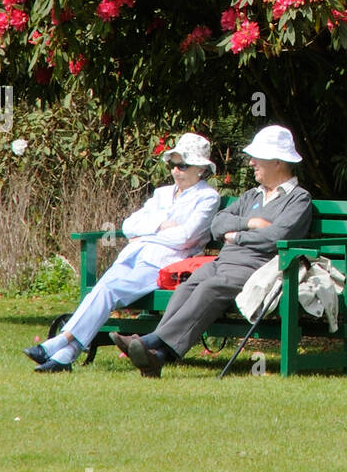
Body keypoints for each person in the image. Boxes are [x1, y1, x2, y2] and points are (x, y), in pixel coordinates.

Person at [112, 124, 311, 376]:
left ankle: (150, 342)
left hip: (258, 267)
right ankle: (157, 356)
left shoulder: (298, 199)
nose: (251, 163)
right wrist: (249, 224)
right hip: (222, 262)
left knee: (210, 288)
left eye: (257, 158)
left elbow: (277, 237)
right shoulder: (252, 196)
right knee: (187, 286)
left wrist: (236, 236)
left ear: (277, 162)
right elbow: (218, 225)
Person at [25, 133, 220, 373]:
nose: (175, 171)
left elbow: (185, 238)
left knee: (107, 289)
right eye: (173, 164)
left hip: (163, 266)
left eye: (183, 165)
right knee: (102, 289)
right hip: (132, 256)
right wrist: (161, 225)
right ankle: (65, 356)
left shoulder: (207, 197)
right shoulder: (161, 194)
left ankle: (59, 343)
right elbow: (129, 226)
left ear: (200, 169)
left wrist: (148, 230)